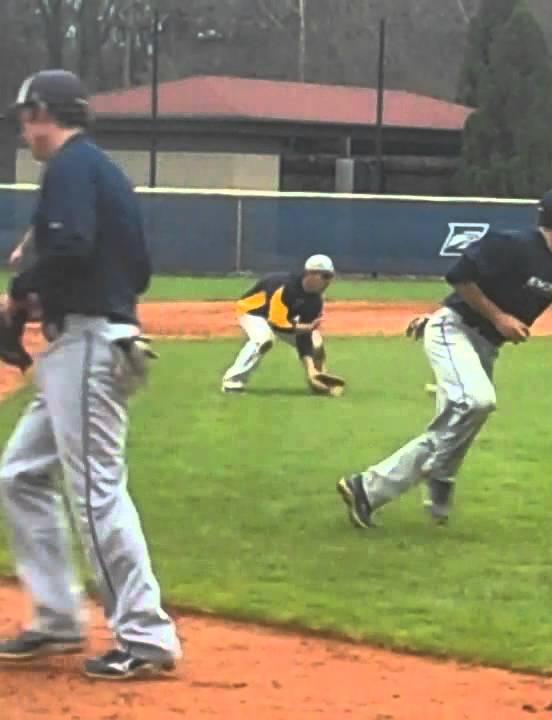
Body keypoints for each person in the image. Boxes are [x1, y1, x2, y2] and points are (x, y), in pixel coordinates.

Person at [0, 69, 181, 680]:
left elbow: (70, 246)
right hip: (89, 339)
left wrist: (22, 292)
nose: (22, 125)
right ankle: (56, 615)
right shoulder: (99, 170)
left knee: (95, 491)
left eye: (25, 114)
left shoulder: (72, 167)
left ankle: (145, 635)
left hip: (86, 344)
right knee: (20, 474)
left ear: (43, 112)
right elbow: (138, 269)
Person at [336, 188, 552, 529]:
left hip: (485, 347)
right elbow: (459, 277)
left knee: (460, 421)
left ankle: (369, 492)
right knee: (477, 402)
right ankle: (436, 473)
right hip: (454, 330)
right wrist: (500, 317)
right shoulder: (511, 244)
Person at [220, 255, 337, 394]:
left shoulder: (315, 300)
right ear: (310, 273)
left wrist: (310, 368)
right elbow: (276, 324)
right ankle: (232, 383)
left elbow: (304, 337)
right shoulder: (284, 286)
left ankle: (319, 380)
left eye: (330, 276)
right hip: (253, 313)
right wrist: (305, 328)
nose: (328, 281)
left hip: (281, 319)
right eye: (325, 276)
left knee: (316, 342)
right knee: (264, 339)